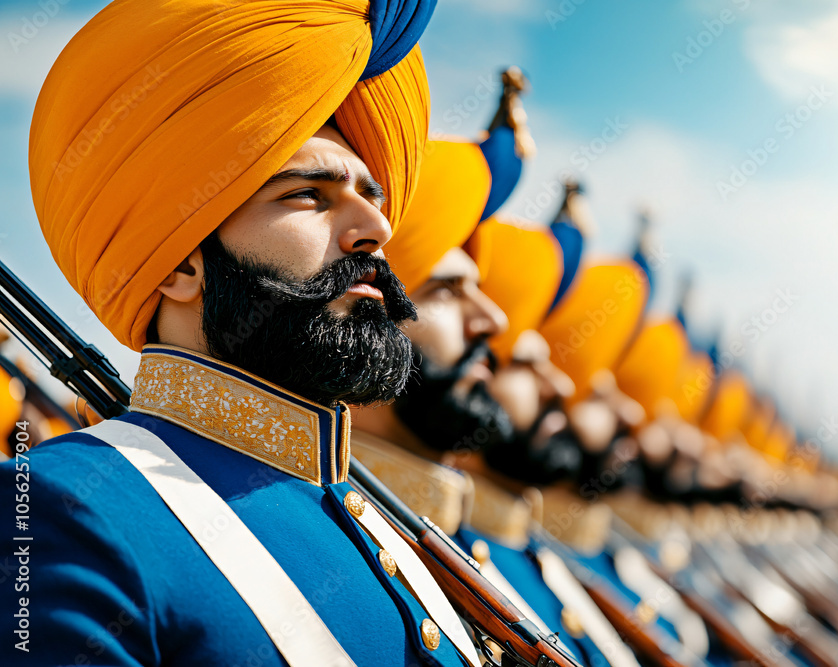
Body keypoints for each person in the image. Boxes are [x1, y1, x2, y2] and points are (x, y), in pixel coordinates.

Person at [1, 1, 484, 665]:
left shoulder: (374, 527)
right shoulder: (62, 514)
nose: (376, 228)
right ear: (178, 263)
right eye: (308, 195)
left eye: (371, 195)